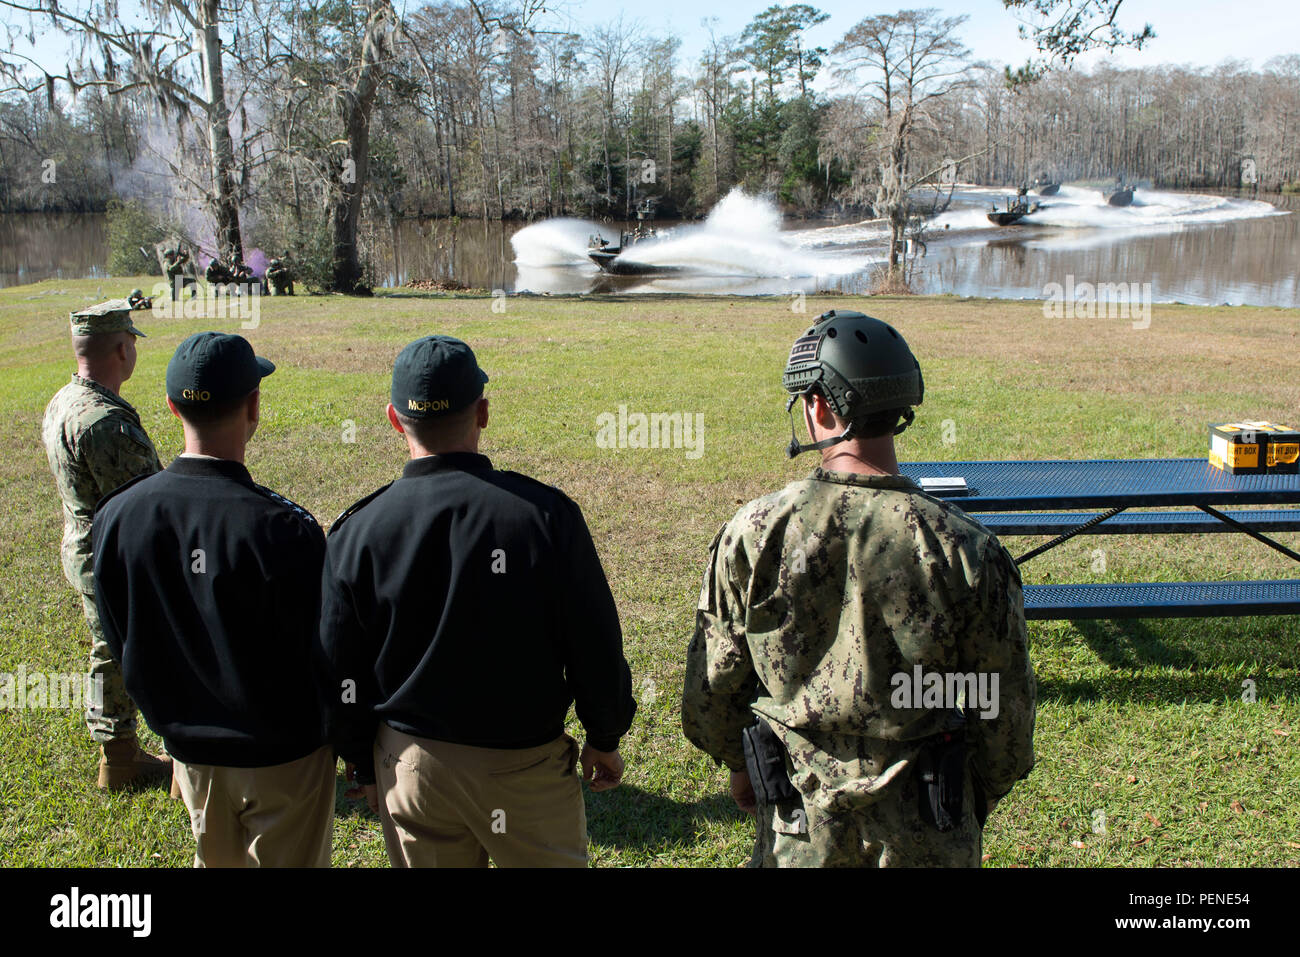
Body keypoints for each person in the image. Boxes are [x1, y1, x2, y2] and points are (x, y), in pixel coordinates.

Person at [682, 309, 1036, 868]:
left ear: (819, 406)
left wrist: (740, 763)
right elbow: (1004, 714)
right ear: (897, 409)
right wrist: (971, 799)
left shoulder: (753, 534)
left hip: (797, 828)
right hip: (929, 829)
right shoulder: (967, 548)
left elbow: (711, 695)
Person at [321, 335, 636, 868]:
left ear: (395, 420)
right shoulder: (545, 516)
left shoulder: (357, 531)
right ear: (483, 412)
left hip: (411, 766)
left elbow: (337, 666)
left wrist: (360, 760)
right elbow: (594, 642)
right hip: (523, 766)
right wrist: (603, 734)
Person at [92, 332, 334, 867]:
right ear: (253, 406)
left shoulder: (116, 518)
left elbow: (118, 634)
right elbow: (320, 651)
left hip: (191, 751)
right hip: (285, 755)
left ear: (172, 407)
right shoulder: (285, 528)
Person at [41, 300, 170, 791]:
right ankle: (123, 759)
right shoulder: (103, 423)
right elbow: (146, 504)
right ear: (122, 347)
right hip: (114, 556)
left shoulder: (63, 400)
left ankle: (119, 754)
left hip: (85, 548)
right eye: (132, 341)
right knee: (127, 652)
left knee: (109, 647)